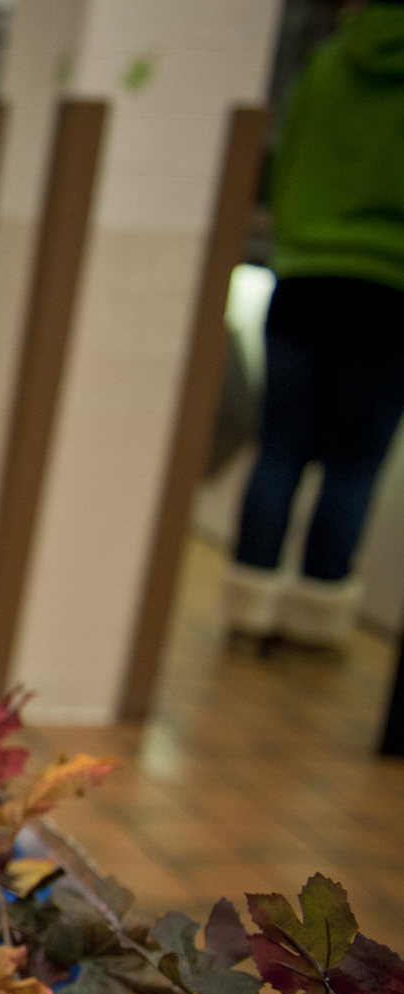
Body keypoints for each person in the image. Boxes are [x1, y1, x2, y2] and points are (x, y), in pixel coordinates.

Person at [226, 0, 404, 646]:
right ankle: (316, 616)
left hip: (304, 275)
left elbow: (287, 157)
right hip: (391, 286)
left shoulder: (329, 63)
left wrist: (301, 237)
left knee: (281, 446)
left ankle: (250, 603)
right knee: (353, 464)